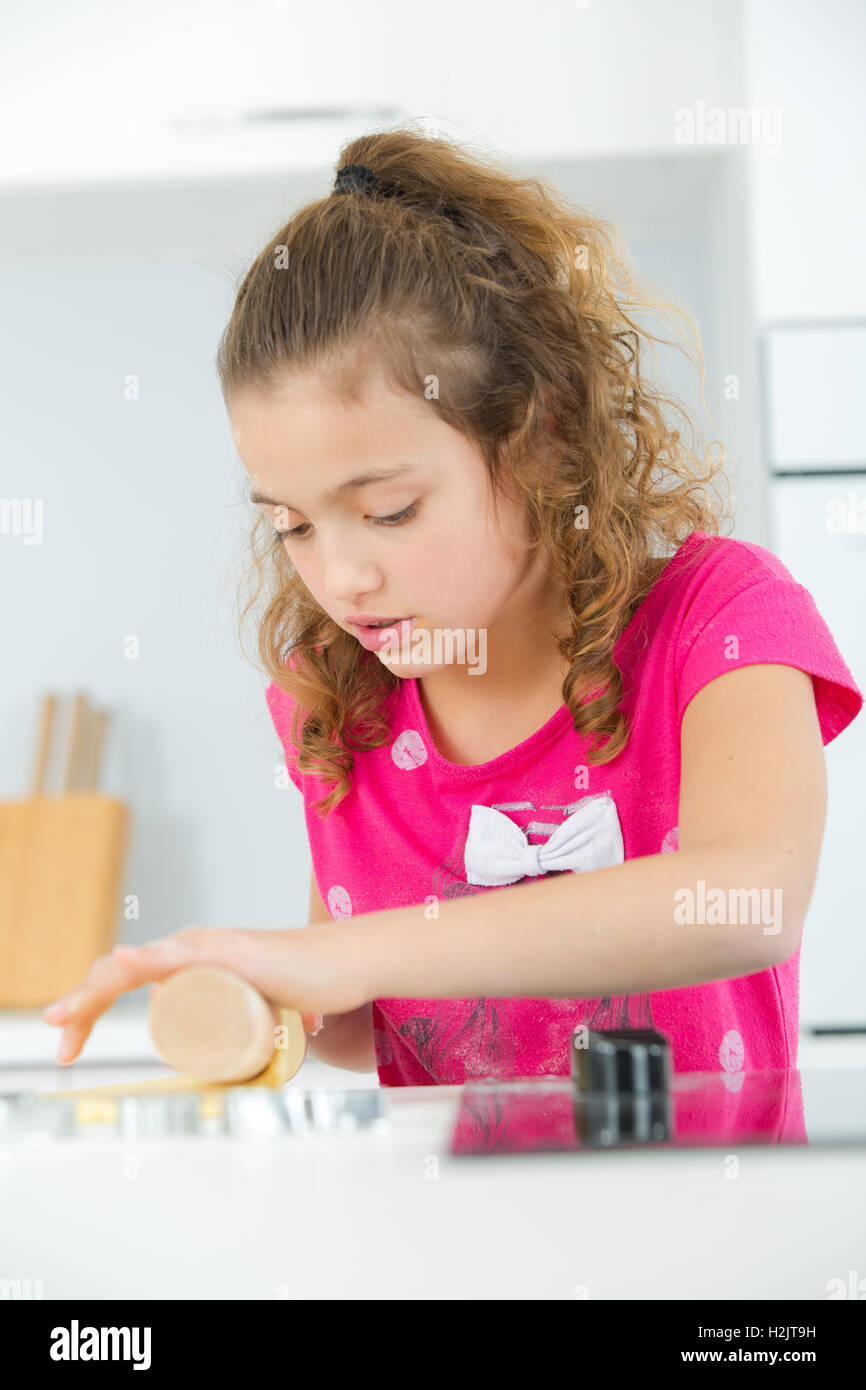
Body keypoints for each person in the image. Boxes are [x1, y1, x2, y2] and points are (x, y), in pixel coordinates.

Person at [44, 128, 862, 1097]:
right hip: (441, 1200)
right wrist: (270, 993)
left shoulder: (716, 619)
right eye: (291, 526)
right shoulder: (335, 703)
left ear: (539, 437)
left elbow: (748, 900)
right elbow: (363, 1024)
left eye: (389, 511)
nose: (341, 578)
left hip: (707, 1196)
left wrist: (356, 953)